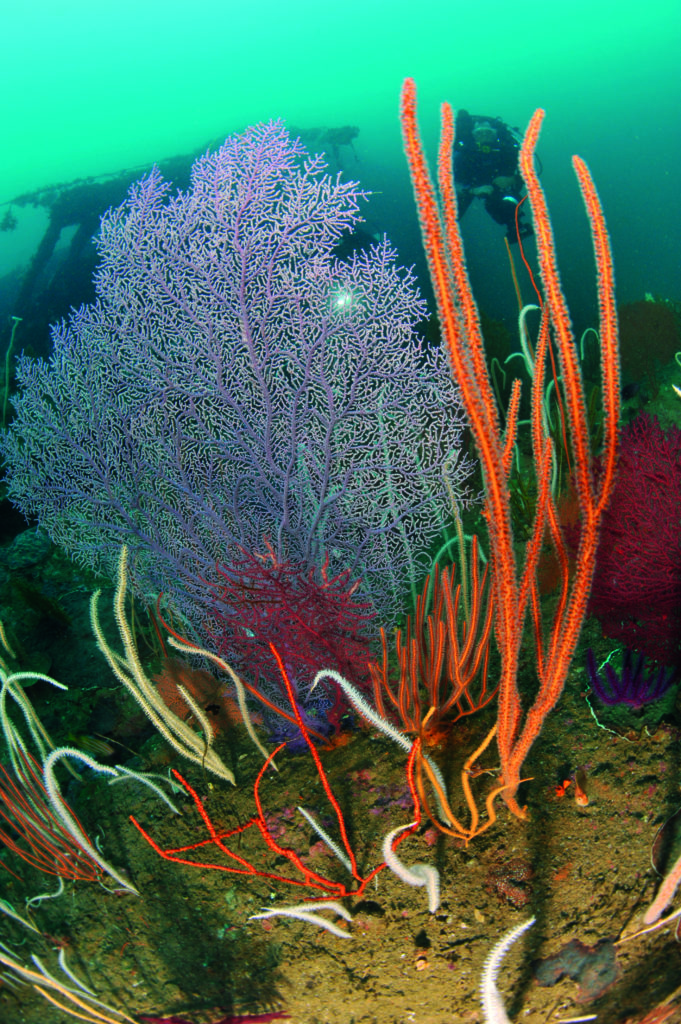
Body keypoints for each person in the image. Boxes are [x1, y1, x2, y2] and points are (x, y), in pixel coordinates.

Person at [453, 110, 533, 243]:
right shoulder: (464, 153)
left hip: (497, 187)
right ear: (473, 136)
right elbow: (449, 182)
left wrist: (512, 179)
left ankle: (515, 227)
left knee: (507, 204)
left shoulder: (506, 150)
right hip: (470, 185)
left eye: (488, 132)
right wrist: (473, 190)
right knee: (449, 213)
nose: (484, 136)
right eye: (479, 133)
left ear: (494, 135)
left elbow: (528, 172)